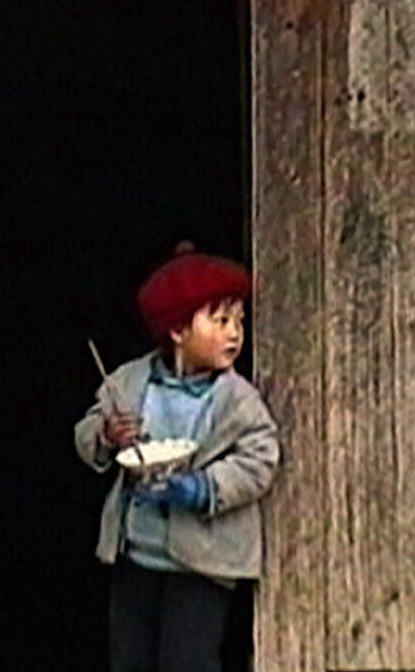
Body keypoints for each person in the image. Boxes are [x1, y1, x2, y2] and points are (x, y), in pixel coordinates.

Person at [74, 242, 280, 672]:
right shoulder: (130, 382)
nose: (234, 333)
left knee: (187, 662)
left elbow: (260, 457)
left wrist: (204, 487)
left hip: (202, 563)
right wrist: (109, 434)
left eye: (239, 320)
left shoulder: (236, 399)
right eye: (220, 320)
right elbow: (85, 434)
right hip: (136, 555)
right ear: (177, 330)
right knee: (129, 659)